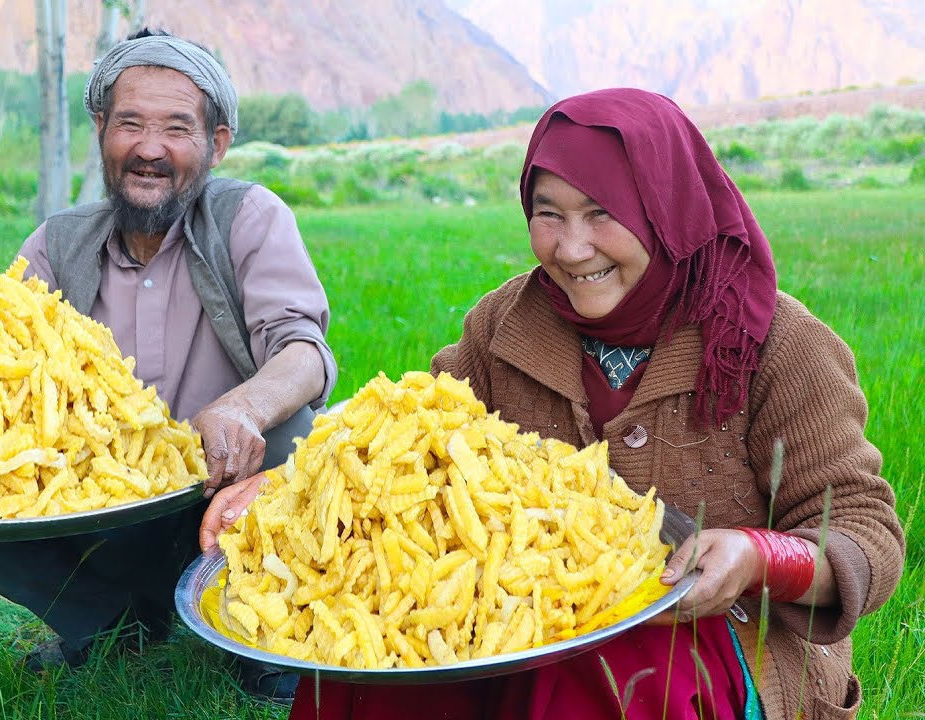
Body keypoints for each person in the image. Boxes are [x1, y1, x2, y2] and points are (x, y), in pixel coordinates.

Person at [199, 88, 904, 719]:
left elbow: (865, 534)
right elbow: (408, 434)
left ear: (668, 211)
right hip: (517, 624)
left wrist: (756, 558)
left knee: (608, 666)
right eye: (548, 214)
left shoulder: (773, 342)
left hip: (716, 637)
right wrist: (294, 487)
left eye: (603, 214)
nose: (571, 248)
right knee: (379, 668)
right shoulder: (505, 324)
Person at [0, 28, 336, 703]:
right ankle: (109, 626)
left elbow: (304, 352)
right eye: (130, 124)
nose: (150, 148)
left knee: (294, 433)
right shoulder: (60, 243)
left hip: (227, 485)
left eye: (177, 128)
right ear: (101, 131)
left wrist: (242, 408)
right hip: (107, 506)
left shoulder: (247, 217)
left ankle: (269, 632)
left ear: (216, 143)